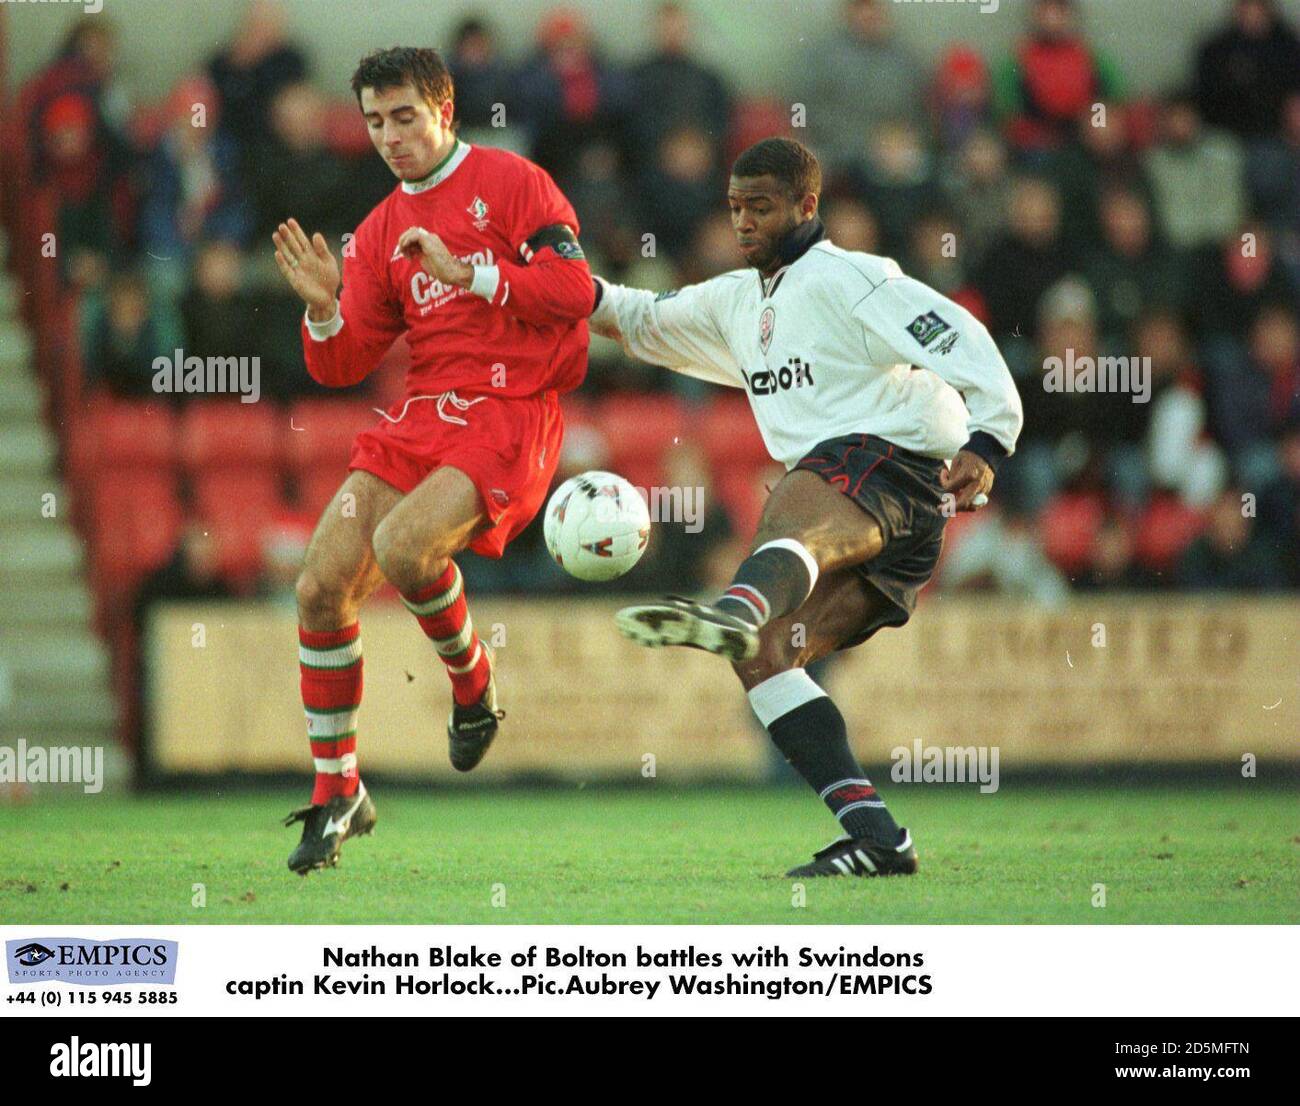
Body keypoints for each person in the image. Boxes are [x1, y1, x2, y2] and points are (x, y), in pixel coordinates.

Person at [588, 138, 1023, 878]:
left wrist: (990, 439)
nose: (744, 221)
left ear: (807, 205)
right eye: (735, 208)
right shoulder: (735, 299)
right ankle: (878, 838)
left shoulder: (852, 278)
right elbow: (632, 315)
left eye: (761, 206)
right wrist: (510, 282)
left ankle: (736, 604)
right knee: (767, 655)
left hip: (896, 466)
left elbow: (958, 334)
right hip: (885, 522)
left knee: (799, 487)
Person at [271, 47, 594, 874]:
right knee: (319, 586)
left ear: (444, 110)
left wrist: (471, 274)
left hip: (511, 411)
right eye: (375, 121)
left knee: (403, 547)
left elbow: (574, 292)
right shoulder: (381, 228)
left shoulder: (514, 182)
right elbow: (343, 364)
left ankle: (473, 684)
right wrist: (322, 312)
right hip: (423, 416)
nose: (390, 136)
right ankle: (338, 790)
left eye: (404, 116)